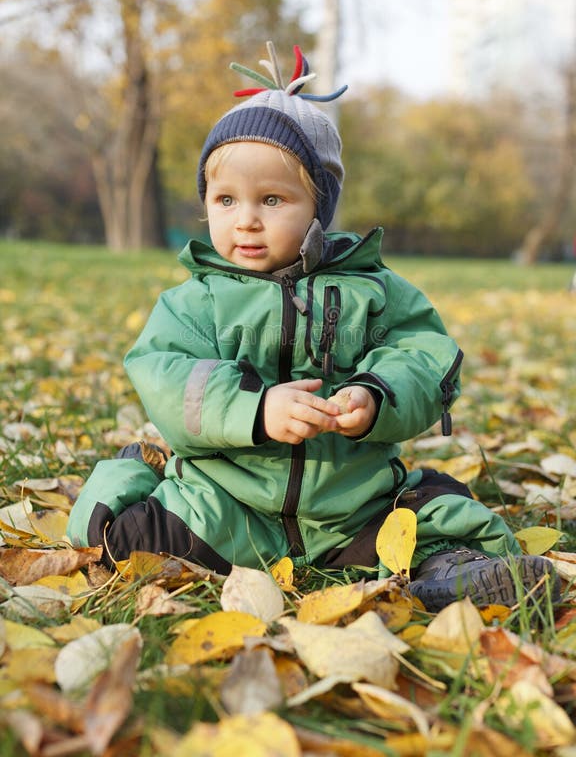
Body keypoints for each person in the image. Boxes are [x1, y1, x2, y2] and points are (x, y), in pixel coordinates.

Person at [67, 41, 558, 612]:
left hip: (351, 508)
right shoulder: (196, 299)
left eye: (271, 199)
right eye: (225, 199)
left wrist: (375, 398)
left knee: (437, 512)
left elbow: (424, 354)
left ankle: (451, 573)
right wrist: (254, 409)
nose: (245, 219)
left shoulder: (370, 289)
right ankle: (137, 471)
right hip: (228, 502)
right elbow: (165, 374)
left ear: (319, 206)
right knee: (114, 533)